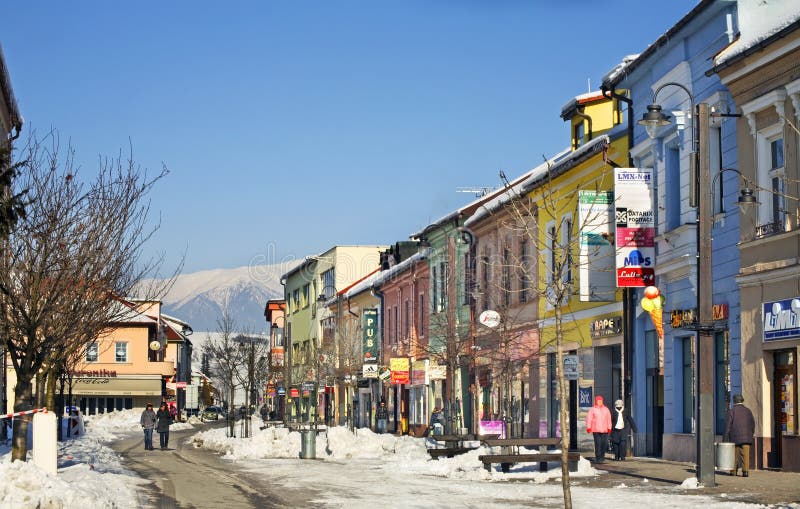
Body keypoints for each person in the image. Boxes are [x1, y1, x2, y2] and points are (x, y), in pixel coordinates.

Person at [725, 393, 756, 477]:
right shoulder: (748, 411)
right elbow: (752, 424)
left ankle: (733, 471)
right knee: (745, 455)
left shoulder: (732, 411)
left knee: (733, 455)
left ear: (734, 401)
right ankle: (745, 472)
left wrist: (725, 437)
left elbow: (728, 425)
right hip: (746, 437)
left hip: (734, 437)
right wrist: (750, 433)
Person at [585, 395, 612, 463]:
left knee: (604, 444)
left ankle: (602, 457)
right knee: (598, 443)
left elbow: (609, 419)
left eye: (601, 401)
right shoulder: (592, 409)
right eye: (598, 401)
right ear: (596, 401)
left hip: (605, 430)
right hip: (596, 429)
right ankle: (598, 458)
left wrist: (609, 427)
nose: (599, 402)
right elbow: (589, 419)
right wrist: (589, 427)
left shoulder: (606, 409)